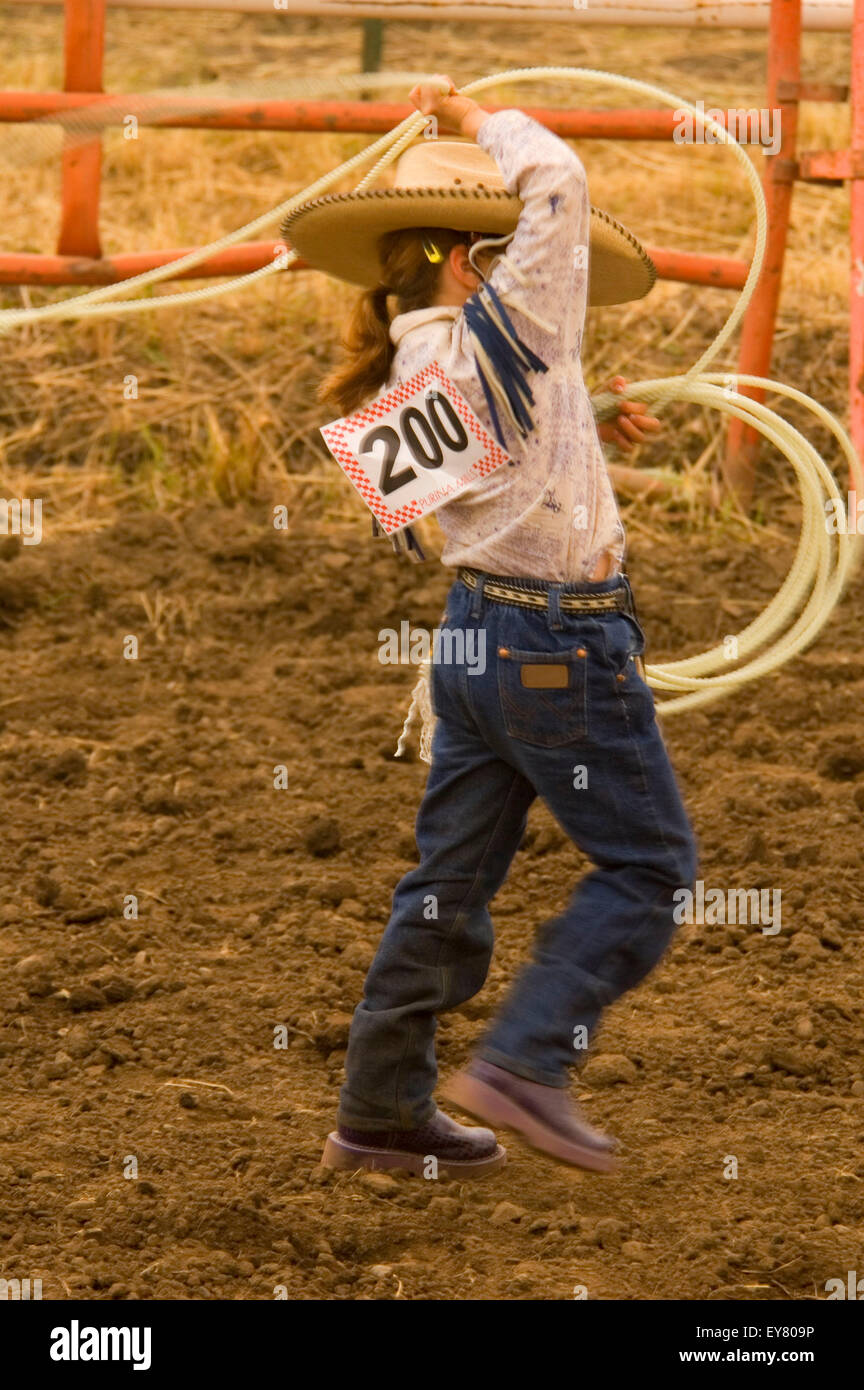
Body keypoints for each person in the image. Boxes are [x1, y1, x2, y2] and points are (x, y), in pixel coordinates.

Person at [282, 75, 699, 1179]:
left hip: (472, 649)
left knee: (446, 885)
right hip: (561, 649)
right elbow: (558, 175)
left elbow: (476, 482)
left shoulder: (417, 357)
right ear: (472, 258)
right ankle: (523, 1061)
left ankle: (378, 1110)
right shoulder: (507, 322)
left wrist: (586, 408)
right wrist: (477, 122)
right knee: (652, 865)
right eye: (503, 251)